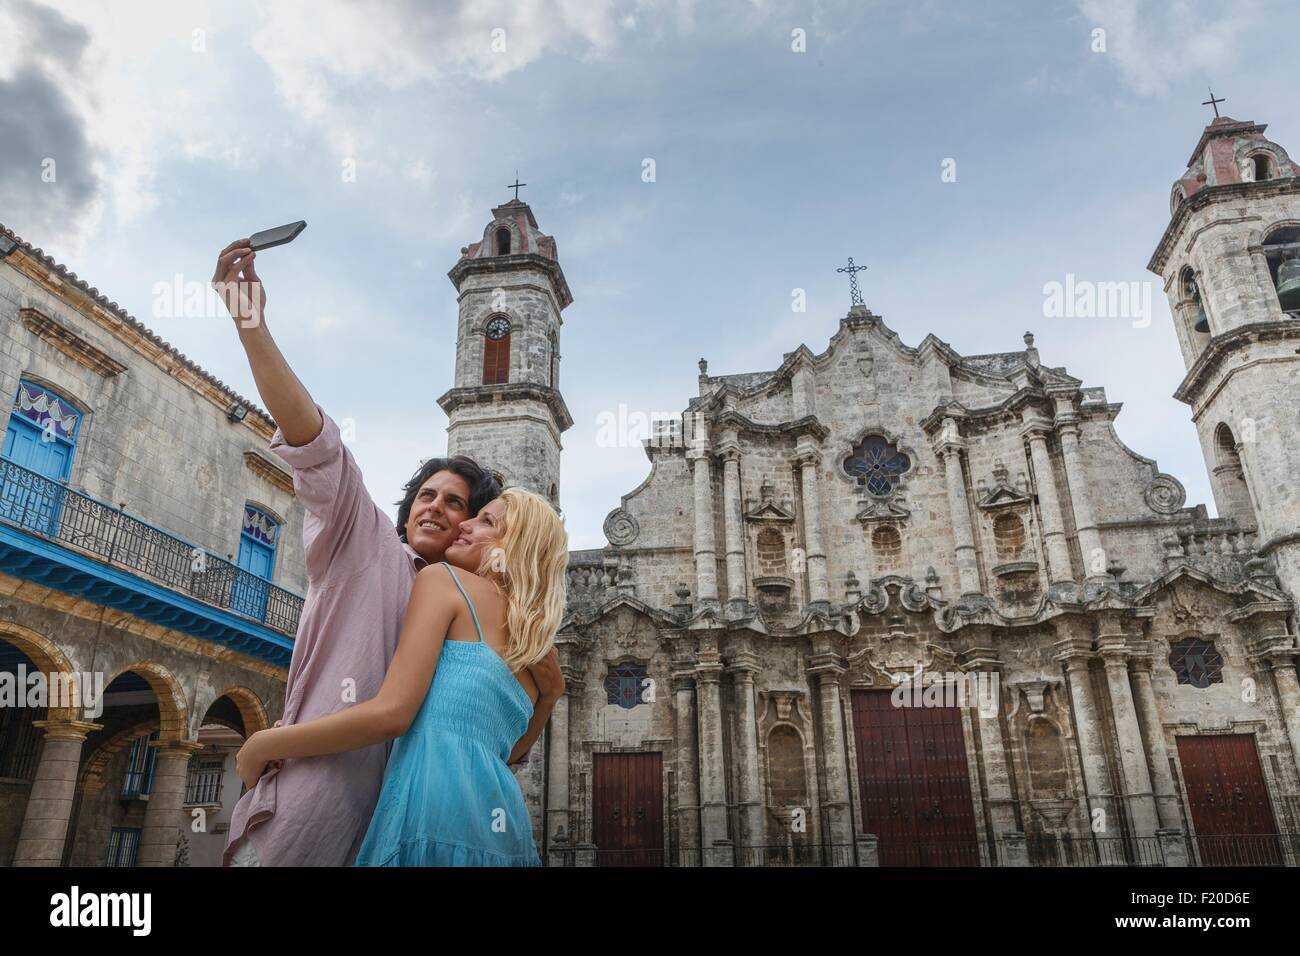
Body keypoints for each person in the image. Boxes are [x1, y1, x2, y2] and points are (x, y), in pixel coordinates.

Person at [210, 239, 564, 866]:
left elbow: (546, 688)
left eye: (460, 505)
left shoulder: (473, 599)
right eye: (426, 495)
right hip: (317, 805)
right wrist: (251, 327)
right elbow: (315, 443)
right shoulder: (366, 543)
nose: (438, 509)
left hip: (399, 815)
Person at [236, 486, 567, 866]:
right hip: (504, 829)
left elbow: (392, 714)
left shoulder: (445, 580)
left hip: (430, 816)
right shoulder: (536, 642)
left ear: (517, 544)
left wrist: (266, 743)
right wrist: (550, 697)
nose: (466, 523)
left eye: (486, 521)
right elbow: (508, 753)